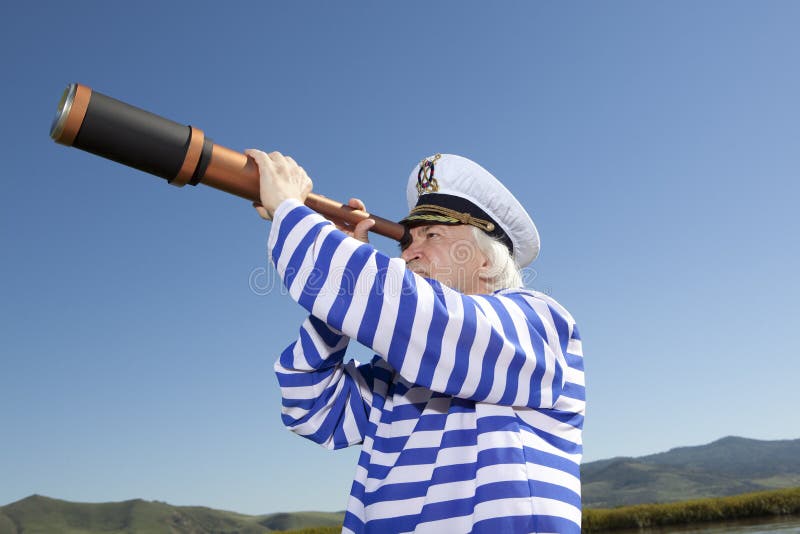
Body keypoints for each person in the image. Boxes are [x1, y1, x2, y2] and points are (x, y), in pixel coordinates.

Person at [248, 149, 585, 534]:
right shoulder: (400, 375)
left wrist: (294, 214)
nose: (409, 252)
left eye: (433, 234)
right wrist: (334, 311)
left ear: (487, 260)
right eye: (406, 241)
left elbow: (420, 314)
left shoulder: (538, 325)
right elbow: (309, 406)